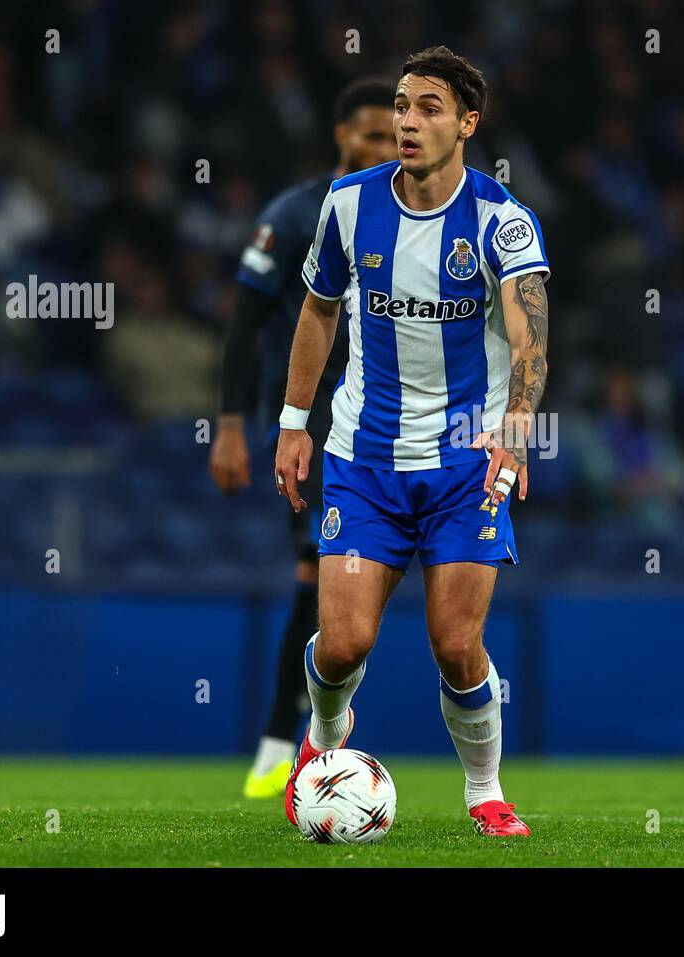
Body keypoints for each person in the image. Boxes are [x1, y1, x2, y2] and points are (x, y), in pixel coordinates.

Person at [274, 46, 549, 836]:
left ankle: (485, 792)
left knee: (458, 647)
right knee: (342, 645)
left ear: (467, 123)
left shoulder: (502, 221)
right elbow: (319, 309)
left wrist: (517, 430)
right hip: (363, 458)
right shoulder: (349, 204)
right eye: (401, 104)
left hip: (467, 463)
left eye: (429, 107)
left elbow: (531, 335)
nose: (406, 120)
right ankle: (325, 741)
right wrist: (295, 423)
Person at [209, 77, 397, 798]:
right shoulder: (294, 214)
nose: (386, 147)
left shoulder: (414, 211)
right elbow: (245, 326)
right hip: (317, 416)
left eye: (394, 134)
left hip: (397, 415)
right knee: (318, 570)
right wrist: (230, 423)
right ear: (341, 136)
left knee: (357, 580)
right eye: (372, 135)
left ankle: (301, 732)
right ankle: (287, 736)